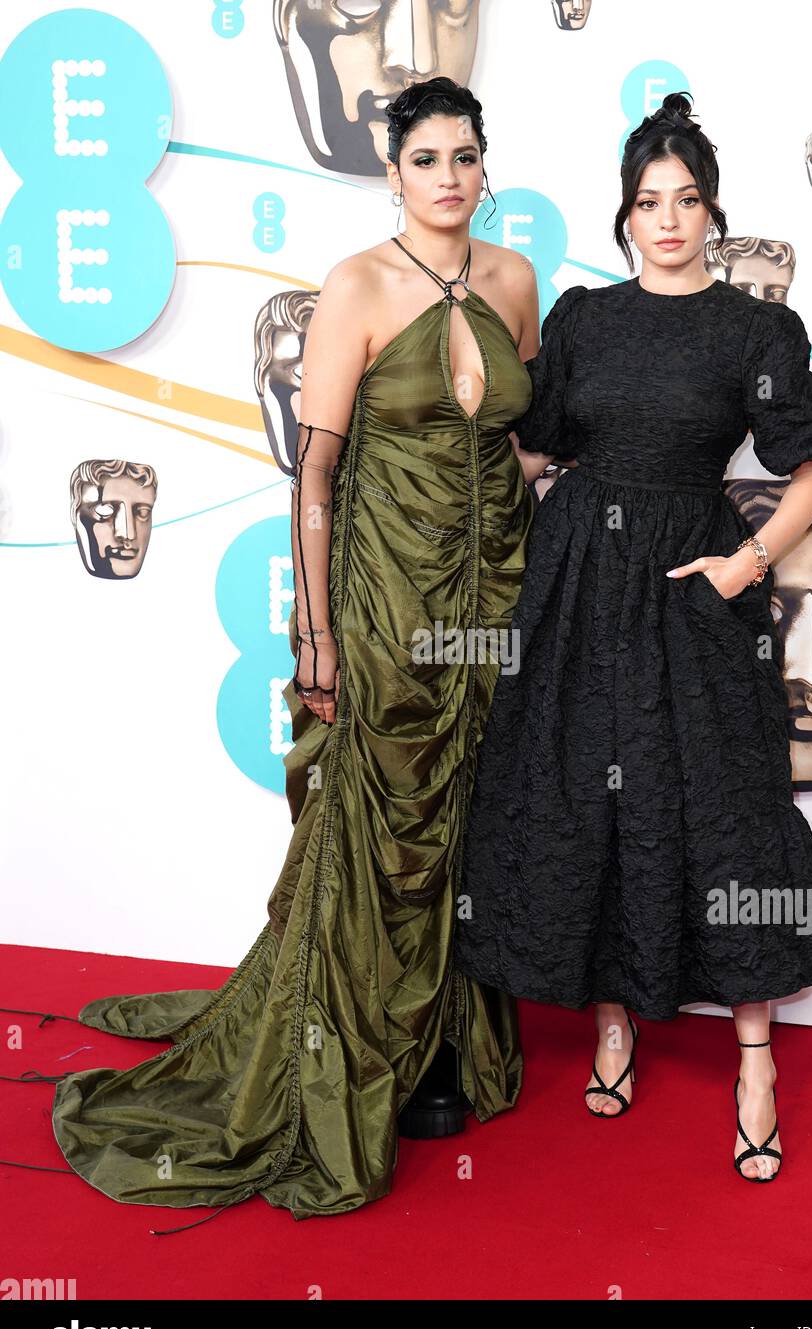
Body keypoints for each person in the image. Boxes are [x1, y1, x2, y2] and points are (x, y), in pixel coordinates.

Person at [1, 78, 543, 1229]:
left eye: (464, 156)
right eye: (426, 158)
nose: (447, 176)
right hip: (386, 587)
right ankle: (349, 1059)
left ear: (482, 168)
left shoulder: (512, 280)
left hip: (492, 585)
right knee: (382, 818)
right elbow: (314, 472)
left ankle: (442, 1043)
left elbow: (518, 445)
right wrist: (315, 629)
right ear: (392, 174)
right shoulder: (355, 286)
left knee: (472, 811)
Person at [454, 91, 812, 1183]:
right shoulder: (584, 317)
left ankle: (756, 1059)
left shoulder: (752, 330)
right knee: (588, 795)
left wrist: (746, 559)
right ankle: (615, 1022)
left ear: (710, 212)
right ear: (624, 214)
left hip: (692, 582)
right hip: (579, 581)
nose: (667, 218)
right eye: (648, 200)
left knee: (724, 810)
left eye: (686, 200)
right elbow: (533, 452)